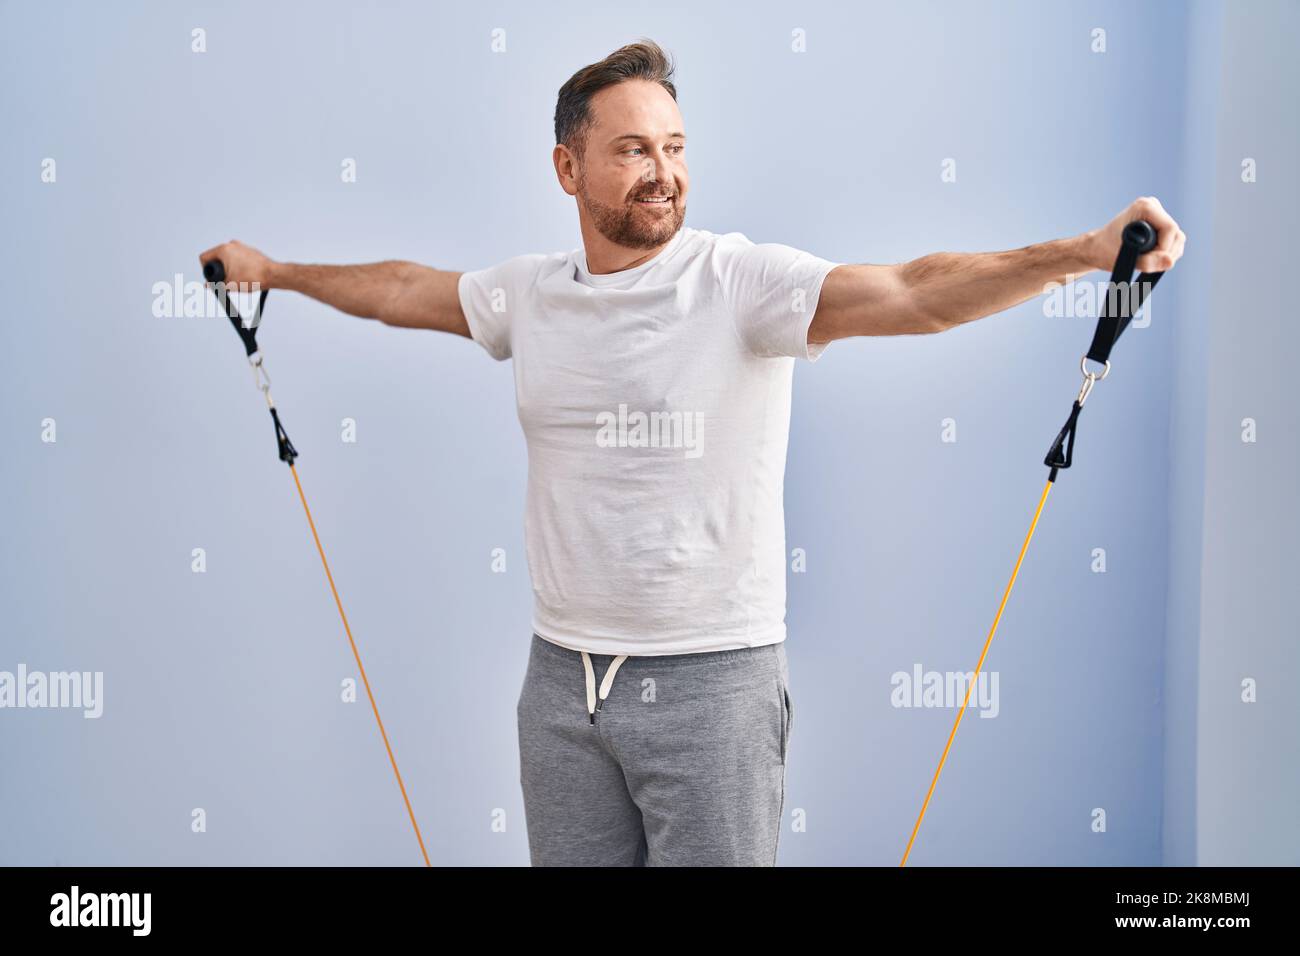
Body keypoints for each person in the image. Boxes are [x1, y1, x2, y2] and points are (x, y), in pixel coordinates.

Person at [199, 38, 1185, 867]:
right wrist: (274, 273)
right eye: (632, 149)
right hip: (560, 683)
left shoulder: (741, 283)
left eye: (673, 146)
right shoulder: (529, 296)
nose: (662, 171)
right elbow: (406, 287)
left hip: (713, 683)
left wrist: (1079, 253)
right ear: (567, 168)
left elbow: (915, 292)